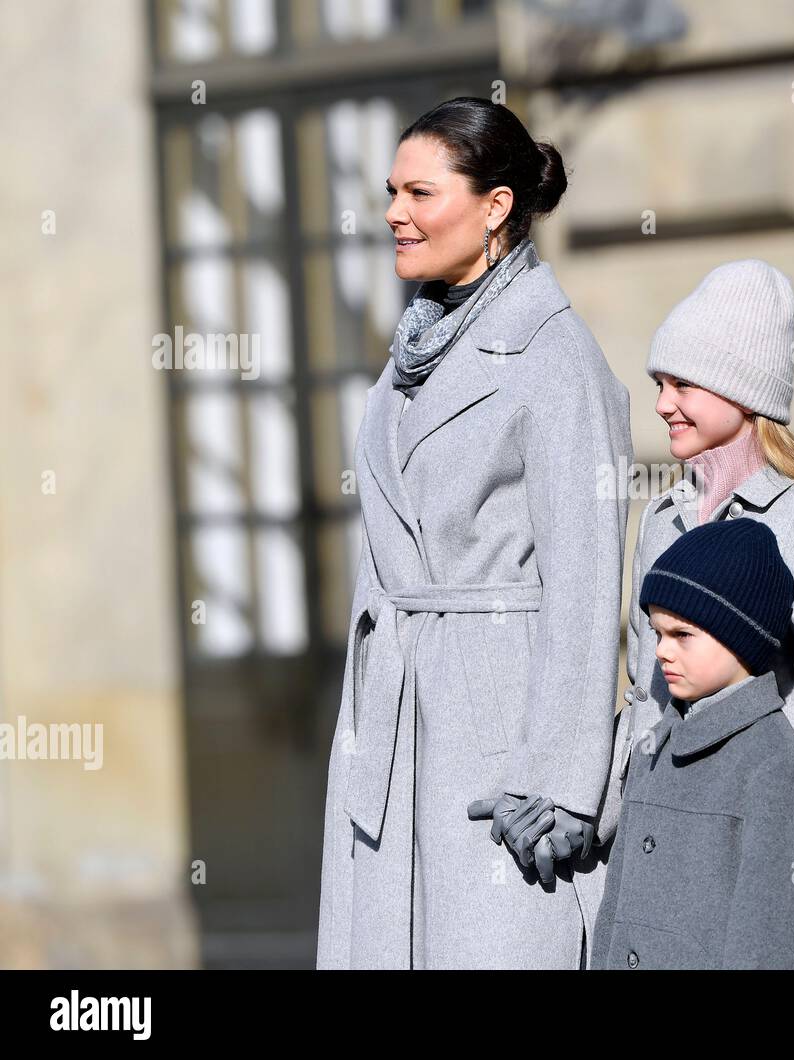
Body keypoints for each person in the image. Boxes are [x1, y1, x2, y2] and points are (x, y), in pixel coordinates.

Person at [316, 97, 633, 968]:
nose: (392, 212)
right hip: (393, 722)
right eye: (390, 190)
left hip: (497, 736)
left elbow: (586, 580)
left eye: (420, 191)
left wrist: (563, 782)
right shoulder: (415, 348)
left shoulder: (555, 357)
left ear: (495, 207)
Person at [588, 260, 794, 855]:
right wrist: (609, 821)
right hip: (662, 824)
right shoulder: (660, 519)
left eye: (683, 385)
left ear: (741, 392)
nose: (664, 405)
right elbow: (644, 690)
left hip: (764, 825)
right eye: (659, 386)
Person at [590, 519, 794, 968]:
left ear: (741, 634)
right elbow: (612, 914)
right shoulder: (651, 750)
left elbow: (765, 943)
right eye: (657, 633)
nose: (661, 651)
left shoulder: (776, 765)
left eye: (682, 635)